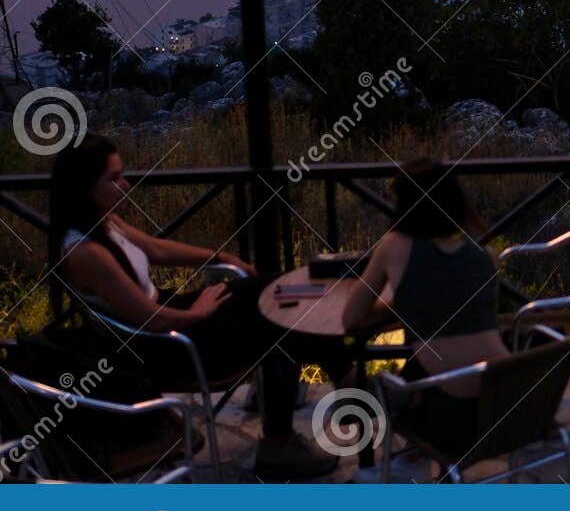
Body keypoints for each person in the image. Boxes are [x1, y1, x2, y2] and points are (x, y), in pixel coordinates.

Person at [48, 135, 338, 479]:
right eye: (113, 179)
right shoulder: (86, 252)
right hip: (165, 345)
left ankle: (305, 394)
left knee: (277, 288)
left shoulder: (102, 220)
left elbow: (157, 250)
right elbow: (150, 319)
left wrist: (220, 258)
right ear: (84, 188)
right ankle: (280, 442)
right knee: (278, 321)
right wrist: (199, 311)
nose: (125, 185)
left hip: (176, 315)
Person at [343, 161, 505, 459]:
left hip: (450, 423)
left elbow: (351, 319)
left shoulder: (394, 246)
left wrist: (402, 304)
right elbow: (459, 312)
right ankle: (415, 460)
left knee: (368, 391)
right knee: (420, 362)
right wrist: (410, 303)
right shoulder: (487, 258)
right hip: (506, 410)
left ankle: (391, 464)